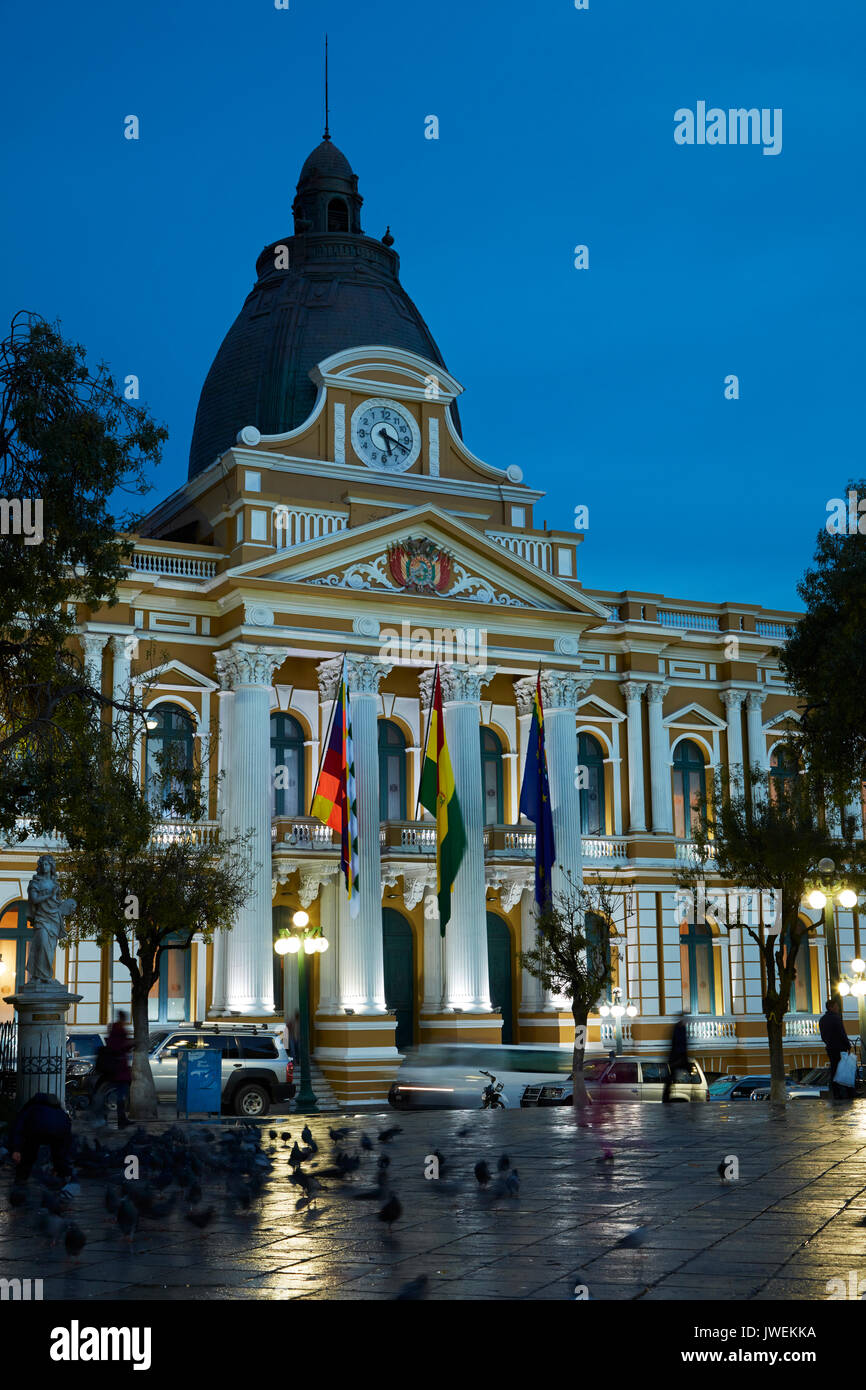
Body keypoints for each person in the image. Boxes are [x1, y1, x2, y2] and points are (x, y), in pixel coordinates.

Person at [9, 1092, 72, 1188]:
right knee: (59, 1153)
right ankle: (62, 1177)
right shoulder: (61, 1112)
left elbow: (18, 1128)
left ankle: (21, 1179)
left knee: (29, 1152)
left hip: (36, 1131)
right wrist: (60, 1163)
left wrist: (16, 1149)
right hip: (59, 1133)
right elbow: (66, 1138)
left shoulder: (32, 1108)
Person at [820, 996, 854, 1100]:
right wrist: (848, 1045)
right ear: (831, 1007)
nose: (838, 1008)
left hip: (830, 1048)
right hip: (840, 1048)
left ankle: (836, 1093)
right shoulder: (836, 1018)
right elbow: (842, 1033)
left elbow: (823, 1036)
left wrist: (828, 1043)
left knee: (834, 1069)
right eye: (836, 1006)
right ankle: (846, 1093)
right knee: (843, 1070)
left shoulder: (822, 1020)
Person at [103, 1010, 133, 1128]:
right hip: (119, 1069)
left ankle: (119, 1119)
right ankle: (121, 1119)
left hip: (116, 1069)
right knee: (120, 1095)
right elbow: (120, 1046)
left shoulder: (115, 1029)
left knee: (116, 1094)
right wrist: (131, 1043)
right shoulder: (119, 1030)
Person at [662, 1012, 690, 1103]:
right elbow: (679, 1043)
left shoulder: (679, 1028)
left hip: (678, 1056)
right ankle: (666, 1097)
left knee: (670, 1077)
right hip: (678, 1056)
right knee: (671, 1077)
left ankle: (666, 1097)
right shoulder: (679, 1028)